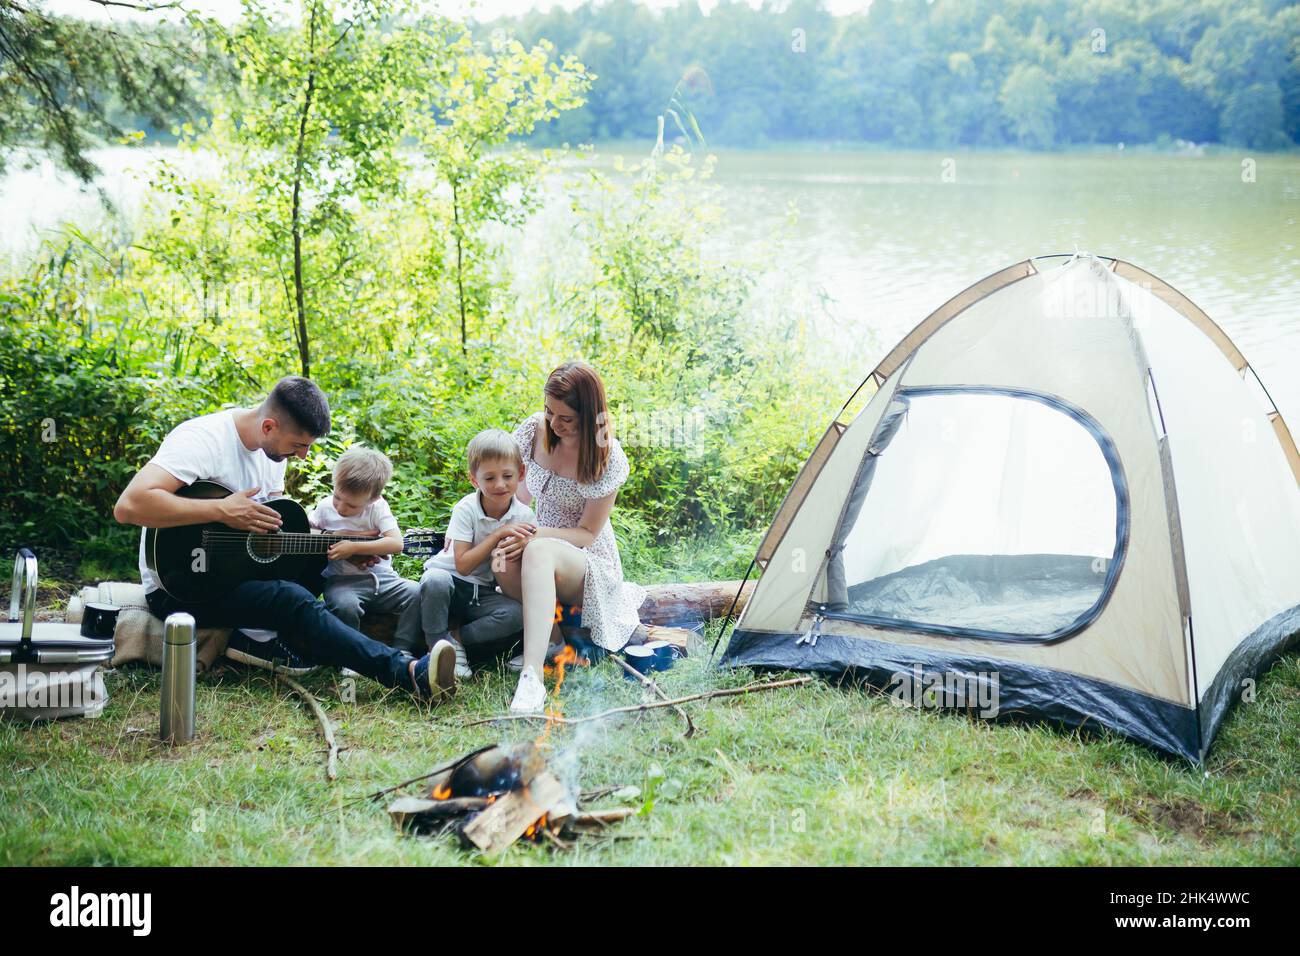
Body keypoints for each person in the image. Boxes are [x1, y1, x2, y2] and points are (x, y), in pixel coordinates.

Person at [112, 376, 455, 698]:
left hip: (235, 573)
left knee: (317, 561)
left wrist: (338, 545)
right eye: (299, 445)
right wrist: (219, 511)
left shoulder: (272, 452)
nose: (303, 455)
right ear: (268, 426)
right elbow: (129, 506)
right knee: (290, 599)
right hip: (180, 586)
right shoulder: (202, 440)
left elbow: (275, 533)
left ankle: (256, 637)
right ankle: (407, 672)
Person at [495, 361, 648, 713]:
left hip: (586, 558)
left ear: (590, 415)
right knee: (501, 556)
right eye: (550, 412)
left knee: (537, 553)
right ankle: (552, 639)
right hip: (540, 542)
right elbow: (512, 494)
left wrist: (534, 535)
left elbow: (587, 532)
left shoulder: (606, 456)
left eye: (565, 418)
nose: (554, 423)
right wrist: (479, 525)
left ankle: (532, 681)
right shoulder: (534, 431)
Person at [408, 429, 537, 678]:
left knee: (517, 613)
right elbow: (464, 565)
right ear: (474, 480)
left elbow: (511, 565)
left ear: (521, 473)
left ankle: (455, 642)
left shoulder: (524, 517)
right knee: (435, 579)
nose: (499, 484)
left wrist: (523, 545)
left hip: (483, 591)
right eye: (489, 478)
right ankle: (436, 649)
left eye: (507, 476)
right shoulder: (466, 509)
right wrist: (498, 534)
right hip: (450, 581)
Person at [311, 446, 426, 658]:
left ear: (372, 498)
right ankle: (351, 655)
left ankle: (402, 647)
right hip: (342, 581)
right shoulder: (325, 507)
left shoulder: (378, 508)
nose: (341, 508)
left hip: (383, 580)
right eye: (337, 496)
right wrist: (332, 535)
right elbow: (309, 531)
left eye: (351, 505)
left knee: (417, 592)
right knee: (345, 605)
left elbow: (396, 543)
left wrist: (354, 547)